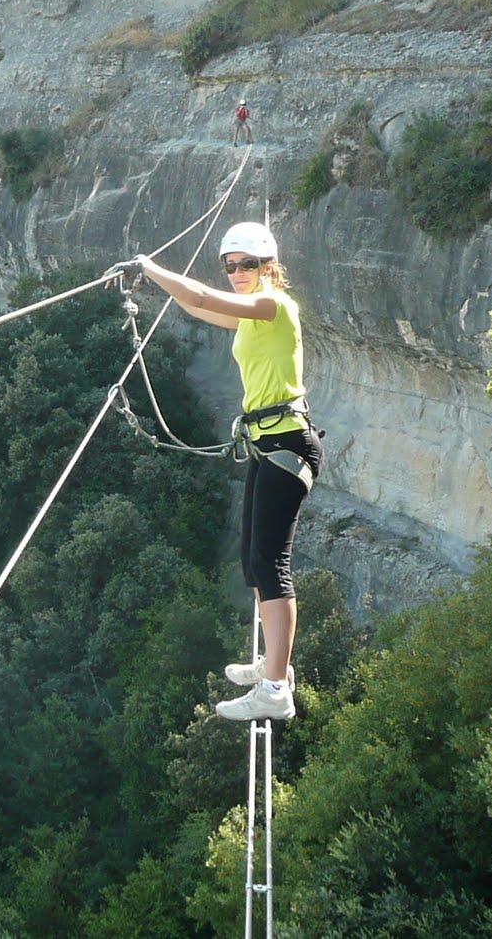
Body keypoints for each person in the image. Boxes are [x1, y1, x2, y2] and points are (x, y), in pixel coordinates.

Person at [118, 221, 321, 720]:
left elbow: (204, 297)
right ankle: (274, 664)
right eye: (229, 265)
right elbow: (198, 306)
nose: (237, 272)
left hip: (286, 443)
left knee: (271, 564)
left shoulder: (274, 305)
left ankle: (275, 689)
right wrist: (154, 288)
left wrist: (149, 267)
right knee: (253, 562)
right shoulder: (250, 314)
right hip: (267, 443)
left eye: (247, 263)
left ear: (269, 266)